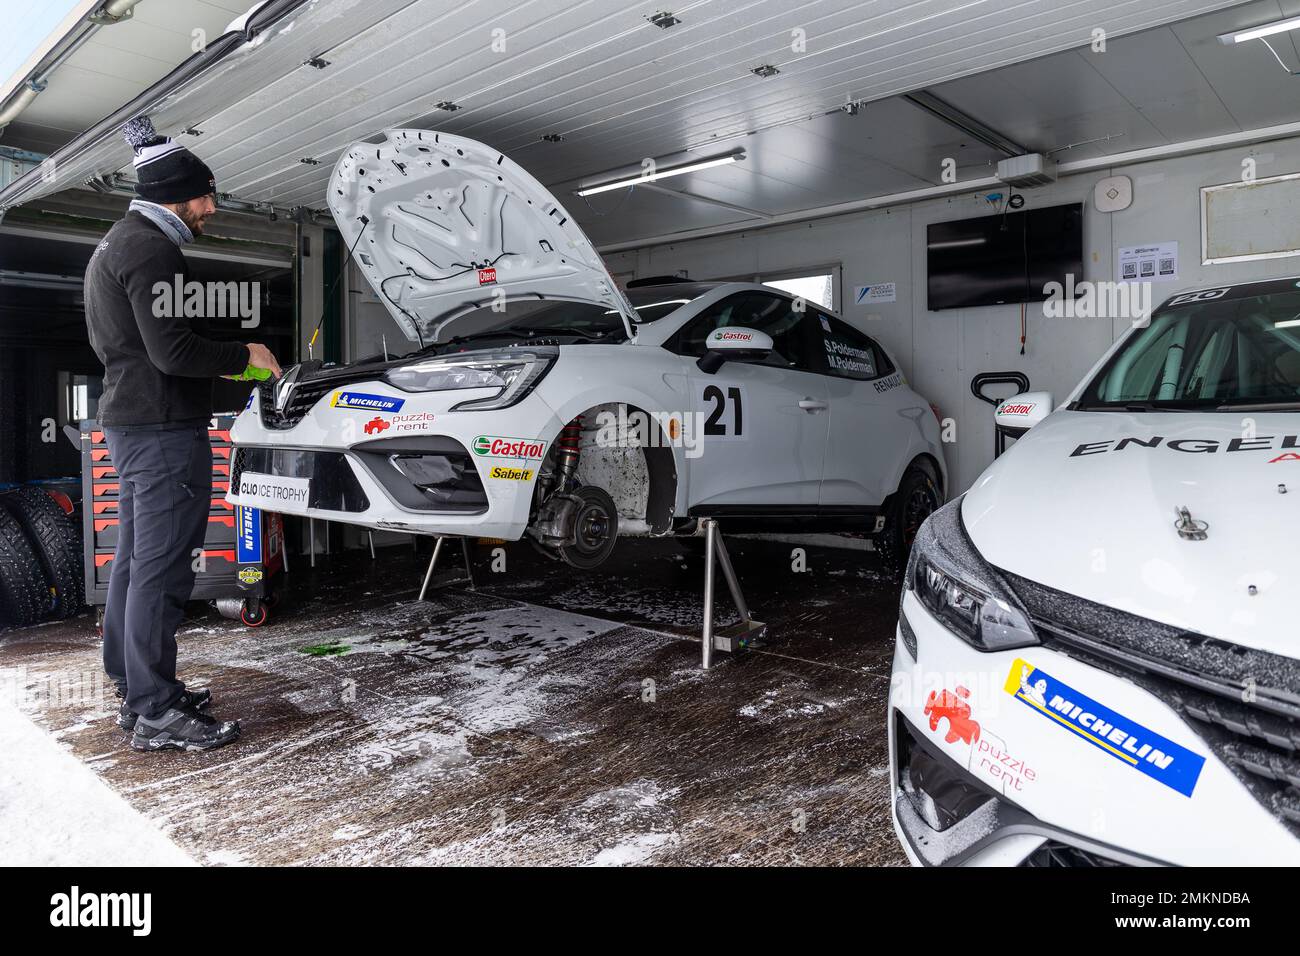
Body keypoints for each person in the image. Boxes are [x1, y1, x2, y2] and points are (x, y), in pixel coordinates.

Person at [83, 116, 281, 752]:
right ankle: (154, 708)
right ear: (175, 194)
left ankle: (134, 684)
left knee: (136, 562)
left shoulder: (114, 243)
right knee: (162, 571)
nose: (211, 206)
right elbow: (172, 352)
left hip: (133, 423)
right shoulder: (152, 249)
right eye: (205, 195)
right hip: (162, 432)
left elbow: (130, 346)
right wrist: (244, 353)